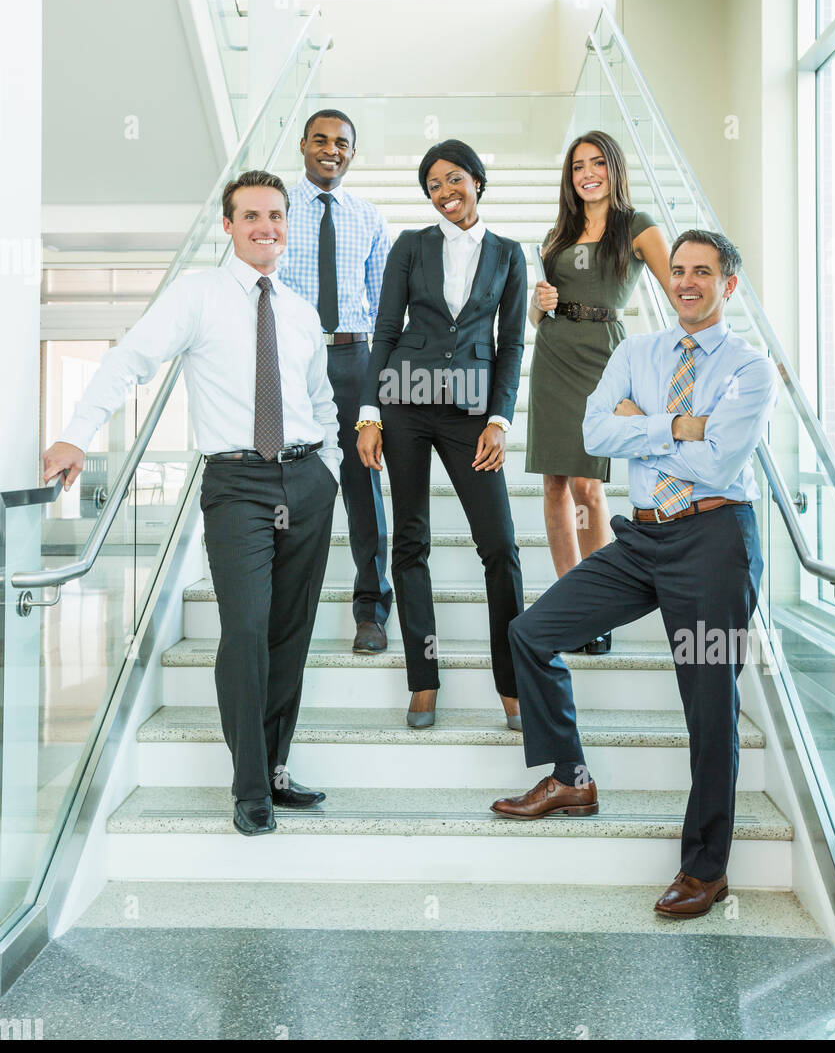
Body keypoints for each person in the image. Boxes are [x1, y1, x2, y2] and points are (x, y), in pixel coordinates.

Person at [42, 170, 339, 838]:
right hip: (237, 484)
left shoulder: (298, 311)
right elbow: (131, 361)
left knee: (290, 634)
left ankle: (277, 767)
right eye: (252, 215)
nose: (266, 226)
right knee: (245, 631)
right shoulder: (197, 295)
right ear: (228, 226)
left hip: (306, 483)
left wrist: (331, 469)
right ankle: (250, 783)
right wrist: (74, 434)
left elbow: (320, 401)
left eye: (276, 215)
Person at [491, 229, 776, 919]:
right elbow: (594, 436)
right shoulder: (636, 350)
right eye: (678, 270)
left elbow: (718, 464)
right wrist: (682, 423)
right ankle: (571, 777)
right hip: (640, 541)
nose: (686, 282)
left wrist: (643, 424)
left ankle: (705, 870)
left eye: (702, 272)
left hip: (713, 541)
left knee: (710, 713)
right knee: (530, 633)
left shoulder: (750, 367)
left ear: (727, 285)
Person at [356, 140, 526, 730]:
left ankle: (513, 683)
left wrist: (500, 421)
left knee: (500, 545)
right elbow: (385, 329)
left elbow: (512, 346)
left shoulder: (509, 254)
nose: (445, 191)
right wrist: (370, 412)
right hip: (405, 404)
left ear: (477, 180)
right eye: (433, 184)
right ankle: (422, 681)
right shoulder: (411, 245)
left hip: (470, 415)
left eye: (454, 178)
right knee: (410, 542)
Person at [526, 131, 671, 654]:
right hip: (553, 354)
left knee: (590, 486)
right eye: (577, 166)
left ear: (614, 168)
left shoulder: (638, 225)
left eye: (596, 163)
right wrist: (540, 302)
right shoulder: (558, 233)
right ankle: (569, 603)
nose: (587, 173)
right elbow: (534, 313)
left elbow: (680, 291)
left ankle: (597, 607)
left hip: (603, 358)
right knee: (554, 485)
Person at [278, 108, 393, 654]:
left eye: (342, 142)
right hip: (289, 359)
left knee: (363, 485)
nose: (331, 149)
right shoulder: (277, 210)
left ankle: (371, 610)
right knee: (286, 482)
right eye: (320, 140)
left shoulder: (368, 217)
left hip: (353, 358)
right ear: (303, 145)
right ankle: (281, 605)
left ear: (353, 151)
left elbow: (385, 309)